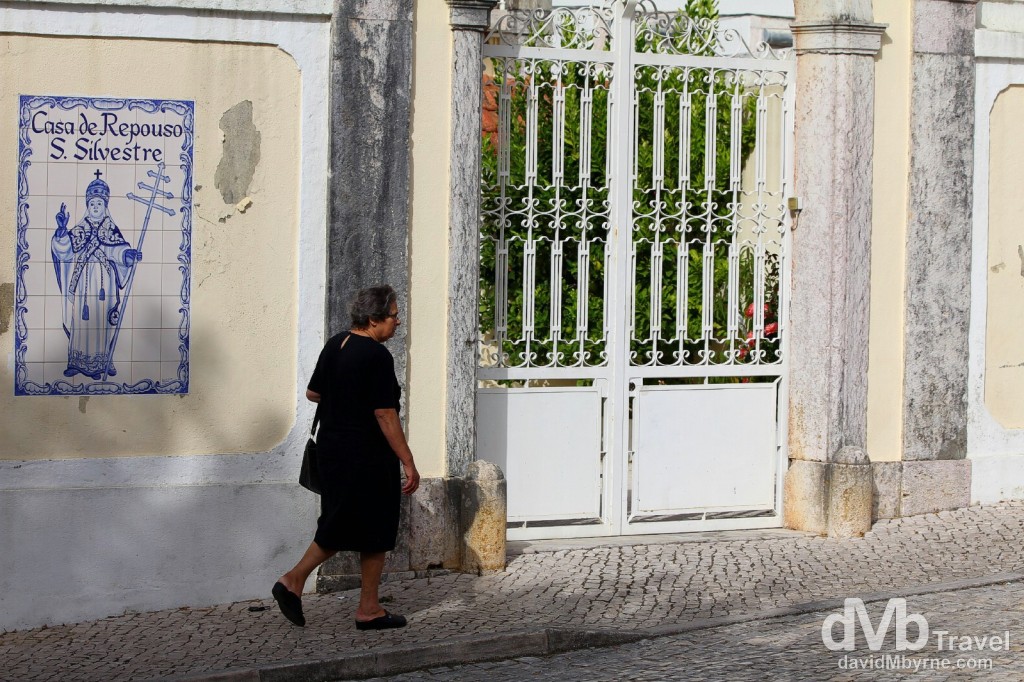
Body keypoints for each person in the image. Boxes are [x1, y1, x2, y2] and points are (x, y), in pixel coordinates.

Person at [273, 285, 420, 630]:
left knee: (369, 528)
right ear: (373, 319)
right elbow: (385, 414)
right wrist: (408, 462)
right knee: (346, 525)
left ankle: (369, 608)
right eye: (395, 316)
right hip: (365, 456)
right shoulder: (376, 355)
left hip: (332, 450)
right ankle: (293, 580)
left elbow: (314, 393)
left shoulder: (336, 343)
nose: (399, 323)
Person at [50, 170, 141, 380]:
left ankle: (103, 363)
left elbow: (116, 250)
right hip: (83, 282)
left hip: (104, 284)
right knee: (81, 320)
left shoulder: (110, 228)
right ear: (87, 206)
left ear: (105, 206)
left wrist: (128, 254)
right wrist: (61, 231)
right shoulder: (80, 228)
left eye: (99, 204)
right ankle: (77, 363)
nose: (96, 207)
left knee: (103, 319)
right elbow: (63, 249)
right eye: (92, 204)